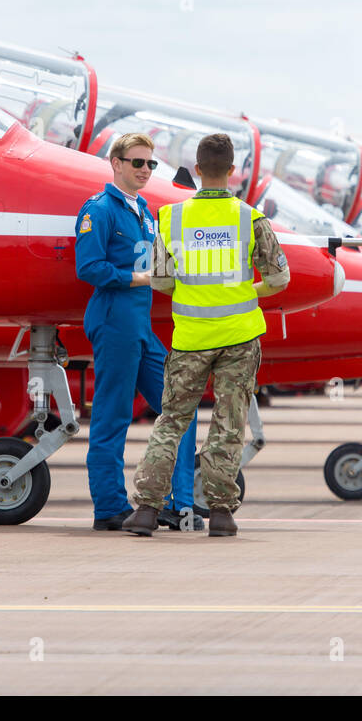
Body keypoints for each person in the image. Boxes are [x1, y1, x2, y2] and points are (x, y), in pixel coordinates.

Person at [123, 133, 290, 537]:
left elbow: (161, 282)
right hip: (240, 335)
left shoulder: (171, 217)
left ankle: (146, 510)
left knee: (171, 422)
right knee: (229, 424)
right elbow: (280, 277)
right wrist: (246, 291)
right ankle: (220, 514)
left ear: (197, 170)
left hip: (191, 338)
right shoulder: (250, 218)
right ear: (232, 172)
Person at [74, 132, 198, 531]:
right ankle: (109, 507)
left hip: (140, 326)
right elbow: (88, 268)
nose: (145, 170)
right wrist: (140, 277)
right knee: (112, 417)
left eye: (150, 164)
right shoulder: (100, 210)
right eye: (137, 162)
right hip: (114, 321)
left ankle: (179, 502)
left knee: (179, 408)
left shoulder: (144, 212)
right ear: (116, 163)